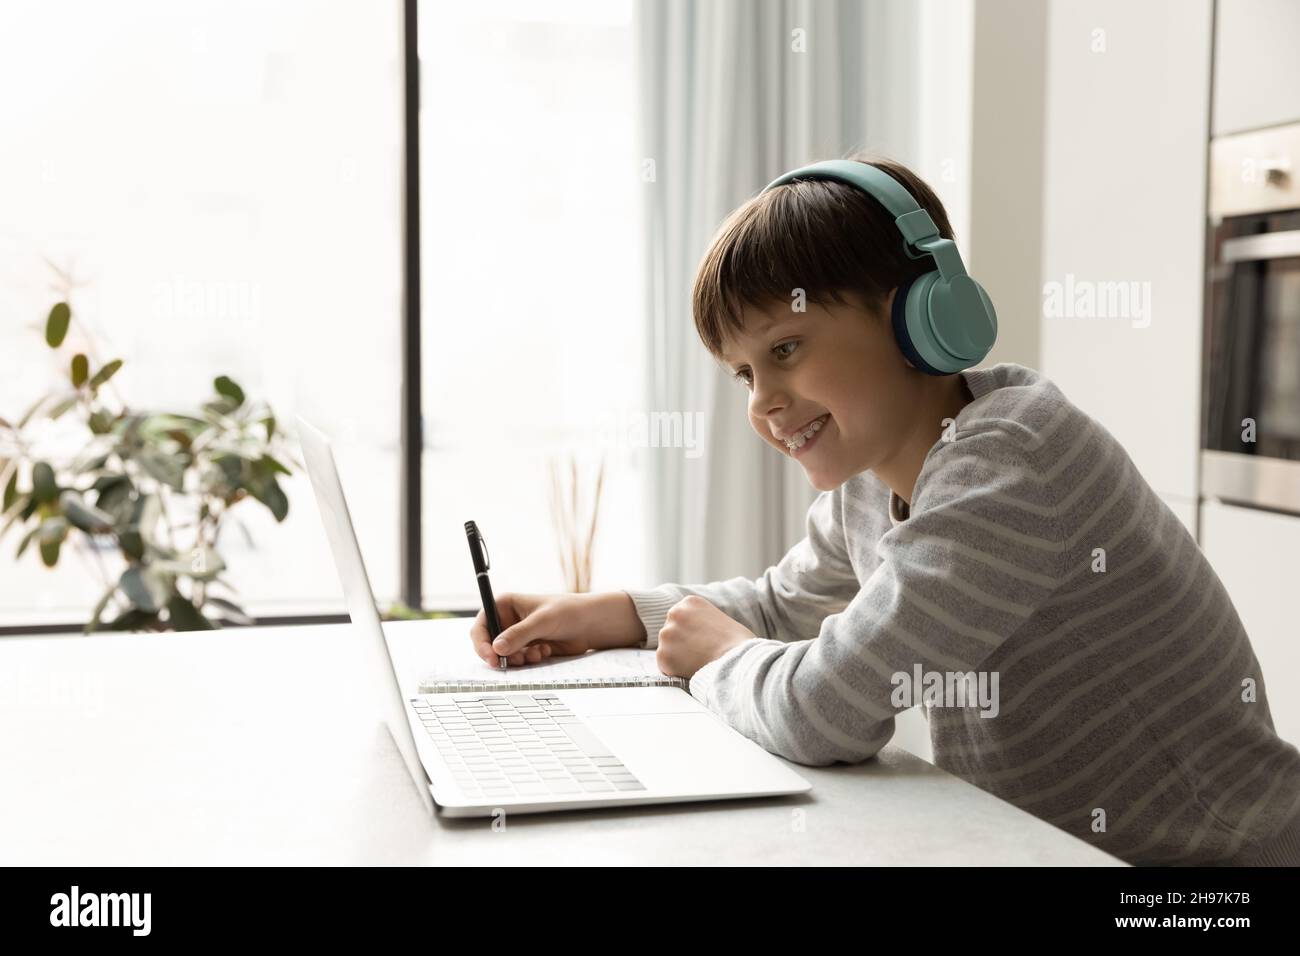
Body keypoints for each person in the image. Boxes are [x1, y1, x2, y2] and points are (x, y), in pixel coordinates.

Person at [468, 152, 1300, 867]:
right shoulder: (875, 475)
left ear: (924, 316)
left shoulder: (1012, 464)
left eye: (785, 349)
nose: (764, 402)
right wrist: (608, 614)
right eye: (745, 374)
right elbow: (781, 606)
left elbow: (826, 708)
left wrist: (720, 658)